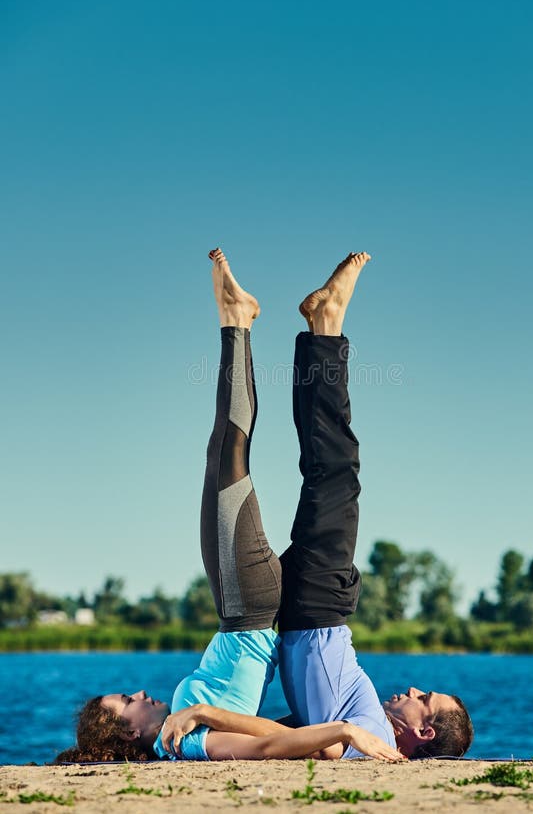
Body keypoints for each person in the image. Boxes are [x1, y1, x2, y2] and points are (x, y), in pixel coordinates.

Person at [55, 249, 401, 764]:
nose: (140, 695)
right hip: (248, 610)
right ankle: (248, 321)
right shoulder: (184, 740)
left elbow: (271, 732)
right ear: (127, 734)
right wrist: (346, 734)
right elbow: (265, 744)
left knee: (309, 471)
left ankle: (311, 322)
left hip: (268, 616)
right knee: (235, 456)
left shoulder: (180, 726)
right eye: (127, 703)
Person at [134, 249, 474, 762]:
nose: (412, 690)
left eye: (424, 702)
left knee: (299, 466)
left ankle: (286, 323)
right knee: (332, 467)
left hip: (306, 611)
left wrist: (205, 716)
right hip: (318, 606)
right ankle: (322, 327)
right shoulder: (369, 732)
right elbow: (293, 734)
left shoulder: (371, 739)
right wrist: (206, 715)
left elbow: (298, 739)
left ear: (424, 733)